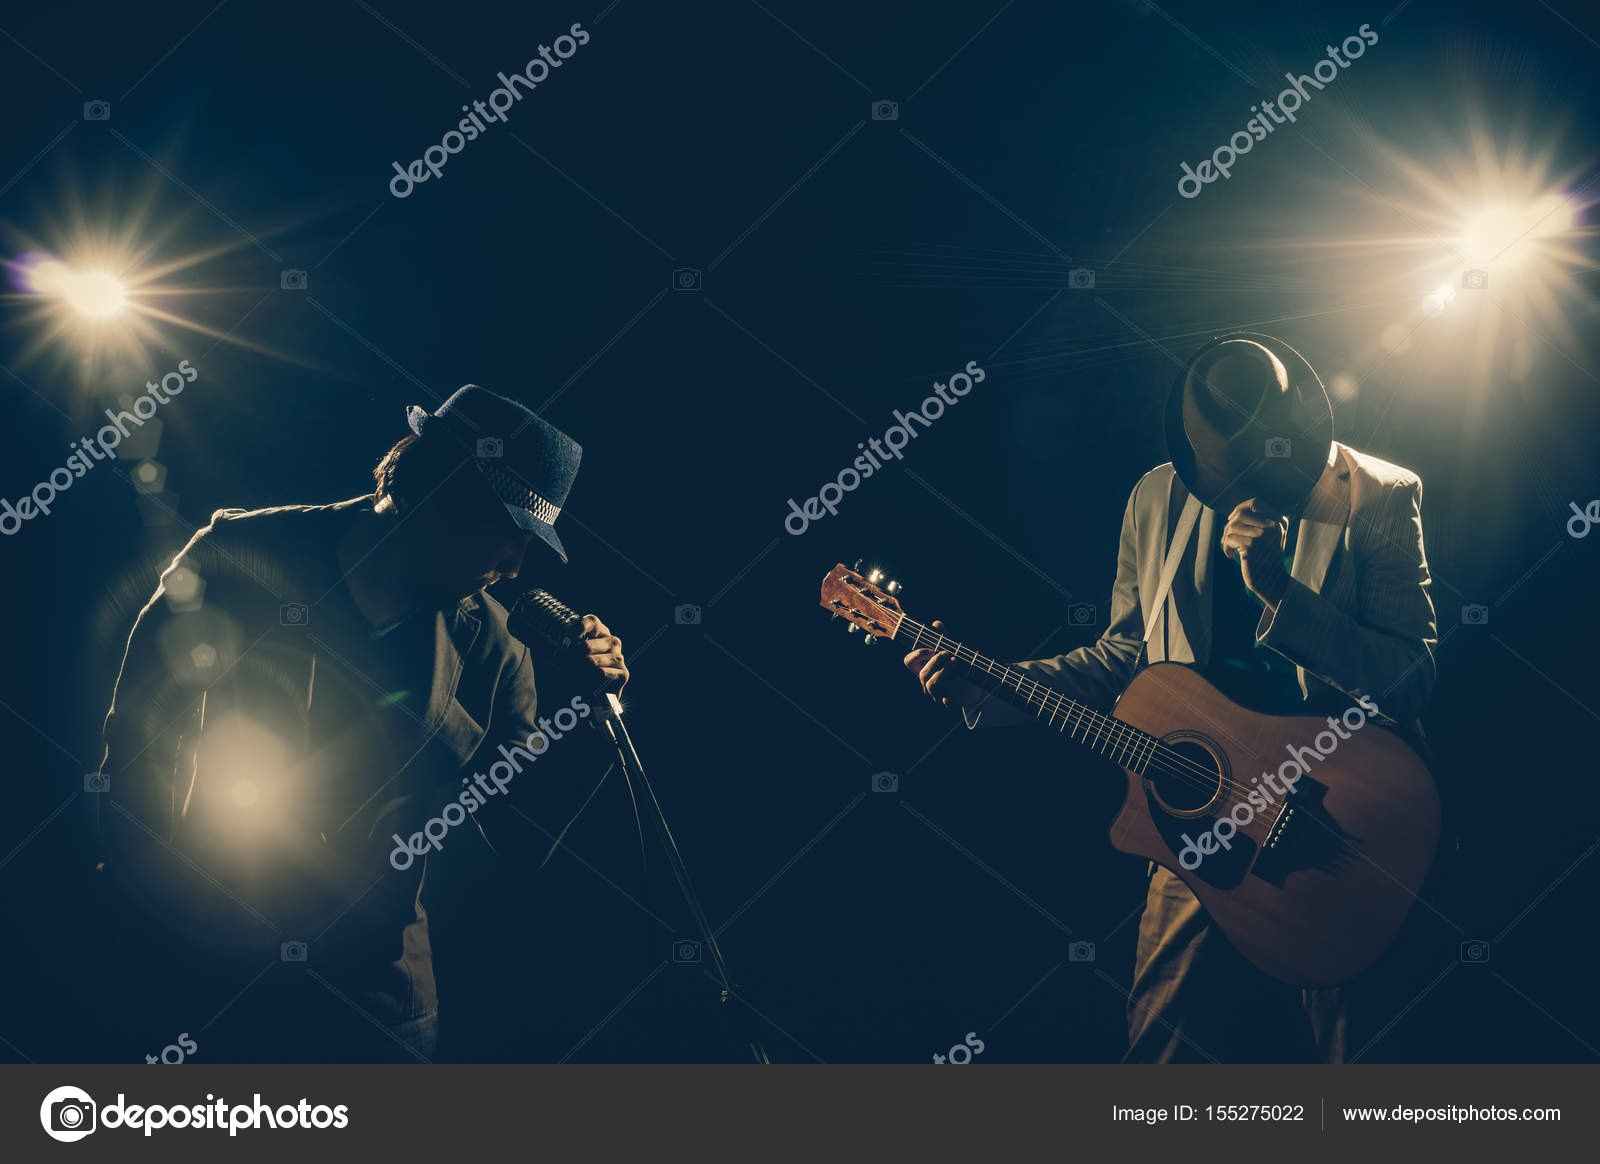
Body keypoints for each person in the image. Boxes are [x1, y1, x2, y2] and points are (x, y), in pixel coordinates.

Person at [903, 333, 1437, 1062]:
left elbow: (1410, 679)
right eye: (1220, 460)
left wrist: (1278, 593)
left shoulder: (1382, 496)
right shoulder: (1156, 496)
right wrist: (989, 682)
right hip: (1201, 822)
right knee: (1157, 1055)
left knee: (1365, 1062)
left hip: (1340, 820)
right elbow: (1125, 657)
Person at [94, 385, 628, 1062]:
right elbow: (137, 739)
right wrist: (144, 901)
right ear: (440, 492)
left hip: (376, 1002)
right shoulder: (241, 555)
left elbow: (520, 837)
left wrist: (585, 716)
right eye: (506, 533)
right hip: (211, 967)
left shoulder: (498, 652)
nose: (515, 566)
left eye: (529, 546)